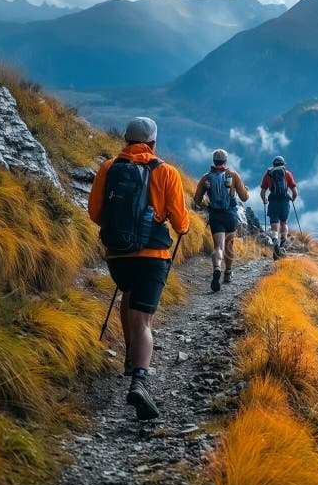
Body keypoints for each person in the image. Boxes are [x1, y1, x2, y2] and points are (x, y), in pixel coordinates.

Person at [88, 117, 189, 421]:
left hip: (118, 255)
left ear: (125, 140)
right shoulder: (166, 172)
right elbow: (181, 222)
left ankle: (130, 358)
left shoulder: (108, 168)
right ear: (153, 143)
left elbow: (95, 213)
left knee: (127, 294)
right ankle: (140, 382)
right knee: (144, 319)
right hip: (153, 255)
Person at [194, 149, 250, 292]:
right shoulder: (233, 175)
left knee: (218, 246)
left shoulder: (206, 178)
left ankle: (217, 268)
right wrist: (246, 190)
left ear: (214, 161)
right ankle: (228, 272)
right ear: (225, 161)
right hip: (230, 214)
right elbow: (244, 198)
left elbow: (197, 200)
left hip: (216, 215)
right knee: (229, 245)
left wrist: (207, 205)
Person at [260, 156, 297, 259]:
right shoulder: (287, 173)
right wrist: (292, 199)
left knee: (274, 223)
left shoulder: (268, 174)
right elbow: (295, 192)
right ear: (283, 164)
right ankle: (282, 244)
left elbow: (262, 192)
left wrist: (264, 200)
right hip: (284, 201)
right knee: (284, 222)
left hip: (273, 201)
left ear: (273, 164)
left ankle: (275, 240)